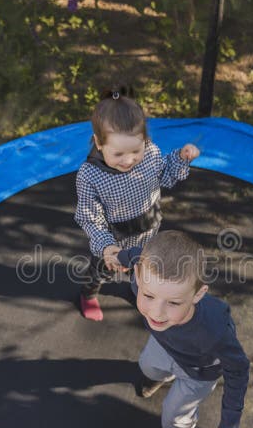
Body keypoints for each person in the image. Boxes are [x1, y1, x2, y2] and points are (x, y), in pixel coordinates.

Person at [116, 230, 250, 428]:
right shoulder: (141, 273)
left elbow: (238, 369)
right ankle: (159, 377)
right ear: (138, 275)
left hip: (198, 371)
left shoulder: (214, 330)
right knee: (148, 367)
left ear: (198, 295)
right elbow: (135, 256)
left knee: (175, 411)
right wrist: (118, 257)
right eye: (149, 296)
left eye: (174, 302)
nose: (156, 313)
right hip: (164, 346)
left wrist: (229, 424)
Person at [74, 86, 200, 321]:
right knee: (100, 271)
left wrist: (181, 158)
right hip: (114, 239)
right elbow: (89, 217)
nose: (129, 159)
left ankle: (140, 290)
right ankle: (89, 294)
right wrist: (107, 248)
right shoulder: (90, 175)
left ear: (145, 139)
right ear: (99, 144)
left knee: (142, 269)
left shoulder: (150, 153)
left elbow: (165, 175)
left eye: (136, 149)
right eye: (119, 154)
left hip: (148, 231)